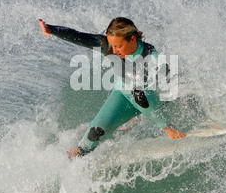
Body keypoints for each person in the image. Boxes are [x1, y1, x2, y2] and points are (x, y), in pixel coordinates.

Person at [38, 17, 185, 158]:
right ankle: (78, 153)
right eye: (112, 45)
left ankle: (169, 129)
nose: (114, 51)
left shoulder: (149, 53)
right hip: (122, 95)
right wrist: (52, 29)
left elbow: (167, 72)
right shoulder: (107, 46)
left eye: (118, 46)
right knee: (95, 133)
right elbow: (78, 36)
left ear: (132, 39)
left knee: (138, 92)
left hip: (147, 98)